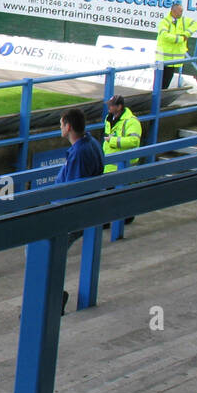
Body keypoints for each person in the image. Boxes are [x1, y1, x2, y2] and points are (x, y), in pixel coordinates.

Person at [55, 107, 105, 313]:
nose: (59, 127)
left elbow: (73, 192)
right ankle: (53, 296)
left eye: (60, 124)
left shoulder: (79, 152)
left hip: (74, 215)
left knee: (40, 250)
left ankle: (52, 298)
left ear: (68, 126)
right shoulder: (91, 143)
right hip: (88, 208)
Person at [102, 94, 142, 227]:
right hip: (109, 165)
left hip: (123, 165)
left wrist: (112, 141)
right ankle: (107, 220)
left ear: (119, 107)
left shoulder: (131, 121)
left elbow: (134, 141)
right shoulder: (109, 119)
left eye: (111, 105)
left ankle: (126, 218)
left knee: (121, 194)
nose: (109, 107)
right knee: (108, 195)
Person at [155, 1, 197, 89]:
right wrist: (180, 39)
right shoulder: (164, 22)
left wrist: (186, 34)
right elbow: (164, 36)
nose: (181, 13)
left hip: (173, 61)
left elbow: (196, 24)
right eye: (180, 11)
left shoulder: (183, 20)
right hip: (160, 59)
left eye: (182, 11)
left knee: (165, 84)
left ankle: (161, 101)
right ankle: (154, 101)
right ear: (173, 11)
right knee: (157, 83)